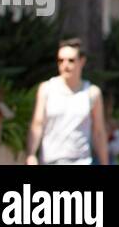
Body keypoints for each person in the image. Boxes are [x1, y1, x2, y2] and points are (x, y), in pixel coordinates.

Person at [26, 38, 107, 166]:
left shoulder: (92, 93)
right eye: (61, 60)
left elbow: (98, 132)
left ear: (82, 61)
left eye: (71, 60)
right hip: (50, 161)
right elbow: (37, 123)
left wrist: (104, 162)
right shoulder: (46, 89)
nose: (65, 65)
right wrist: (31, 154)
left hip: (81, 162)